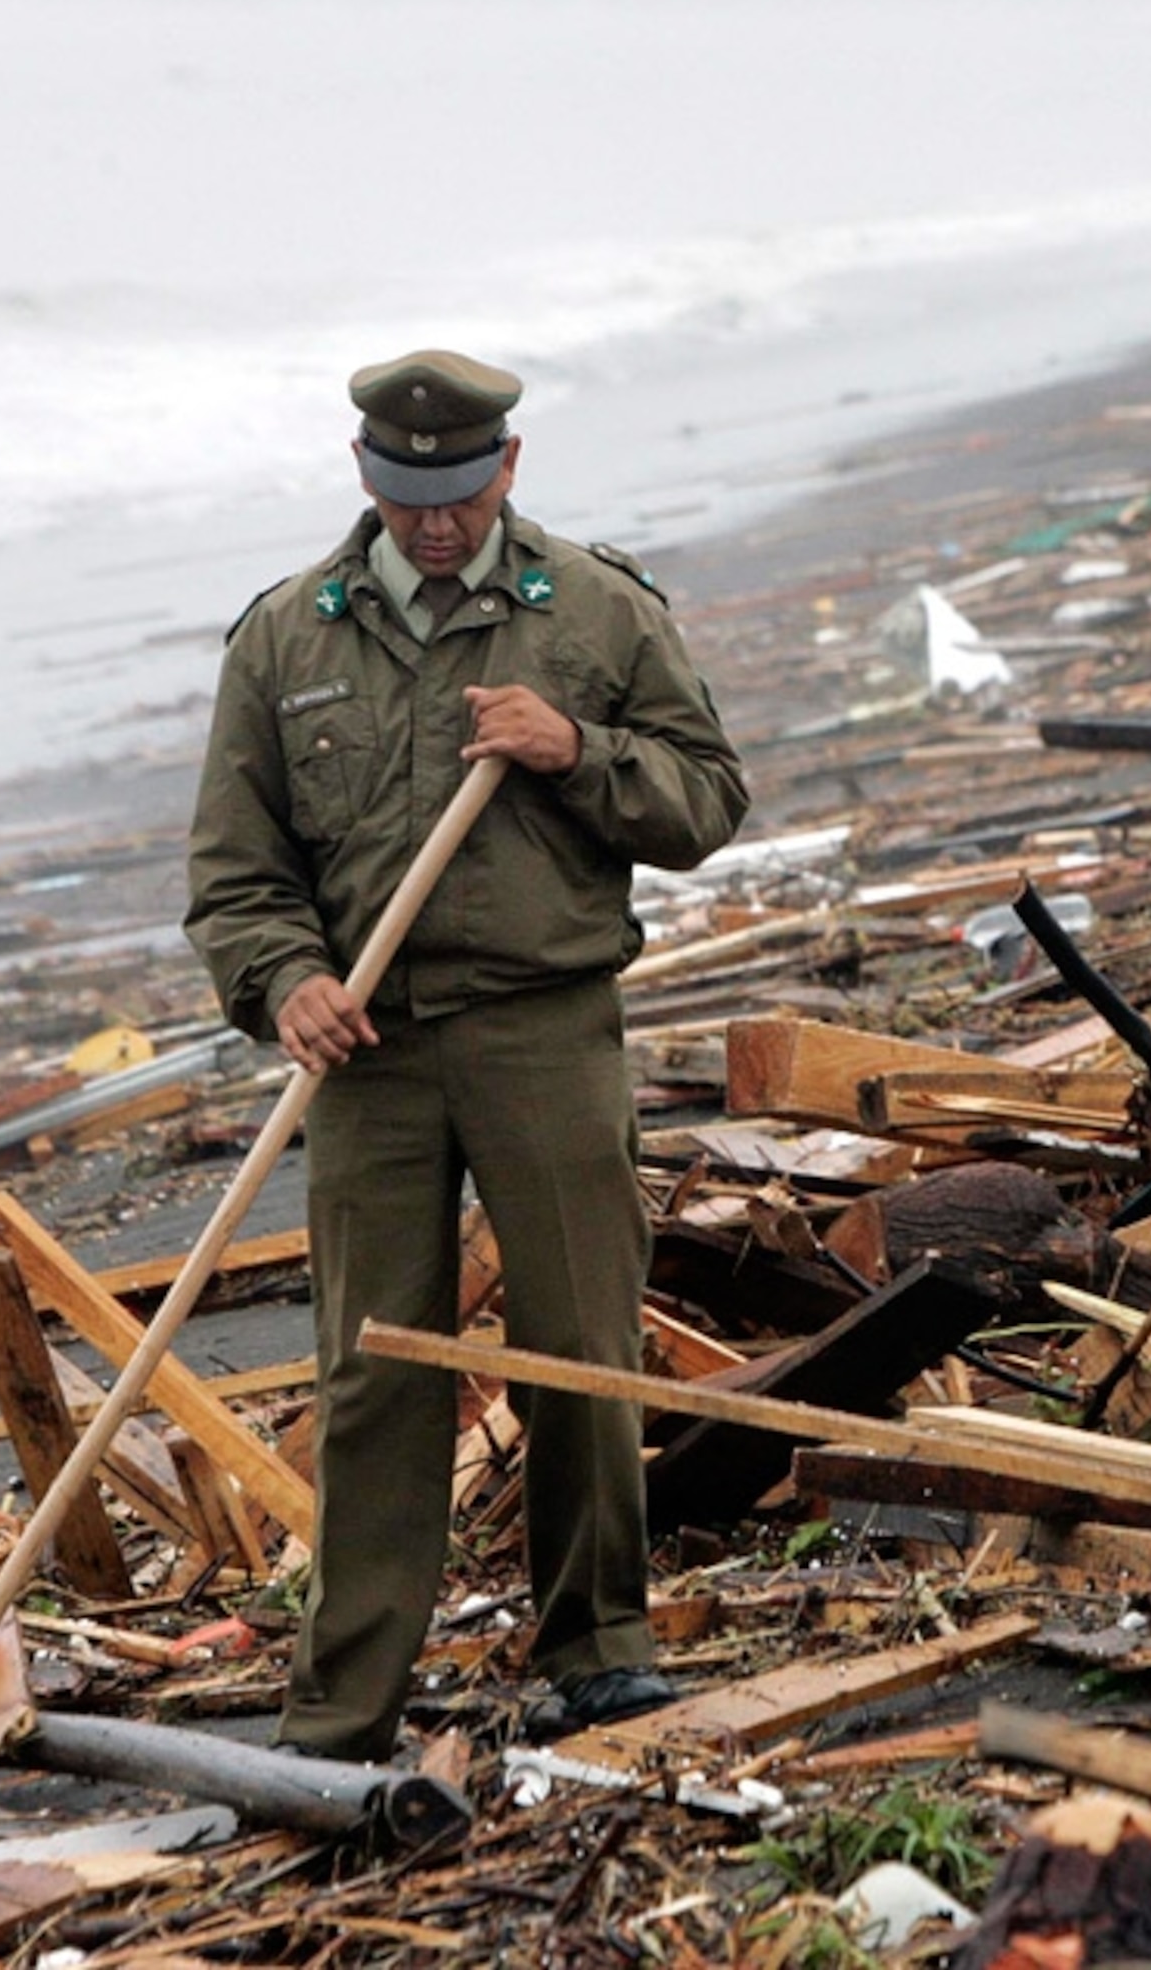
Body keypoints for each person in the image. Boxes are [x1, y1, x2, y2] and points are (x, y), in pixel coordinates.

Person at [186, 349, 749, 1757]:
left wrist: (577, 751)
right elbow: (236, 877)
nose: (435, 523)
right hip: (367, 1052)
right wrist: (286, 981)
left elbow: (706, 802)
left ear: (508, 466)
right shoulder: (285, 640)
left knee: (578, 1340)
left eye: (460, 495)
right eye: (405, 495)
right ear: (363, 474)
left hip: (542, 1029)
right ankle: (349, 1700)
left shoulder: (597, 611)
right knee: (374, 1371)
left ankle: (599, 1650)